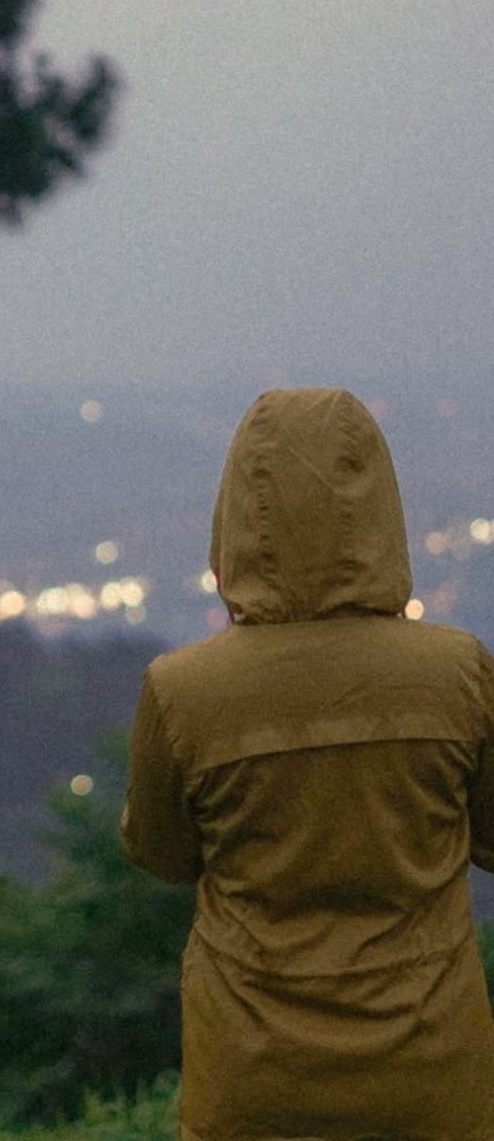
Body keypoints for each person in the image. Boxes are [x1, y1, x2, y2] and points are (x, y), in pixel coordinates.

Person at [121, 387, 494, 1140]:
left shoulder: (183, 690)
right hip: (430, 1076)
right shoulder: (460, 672)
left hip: (253, 1079)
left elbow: (160, 853)